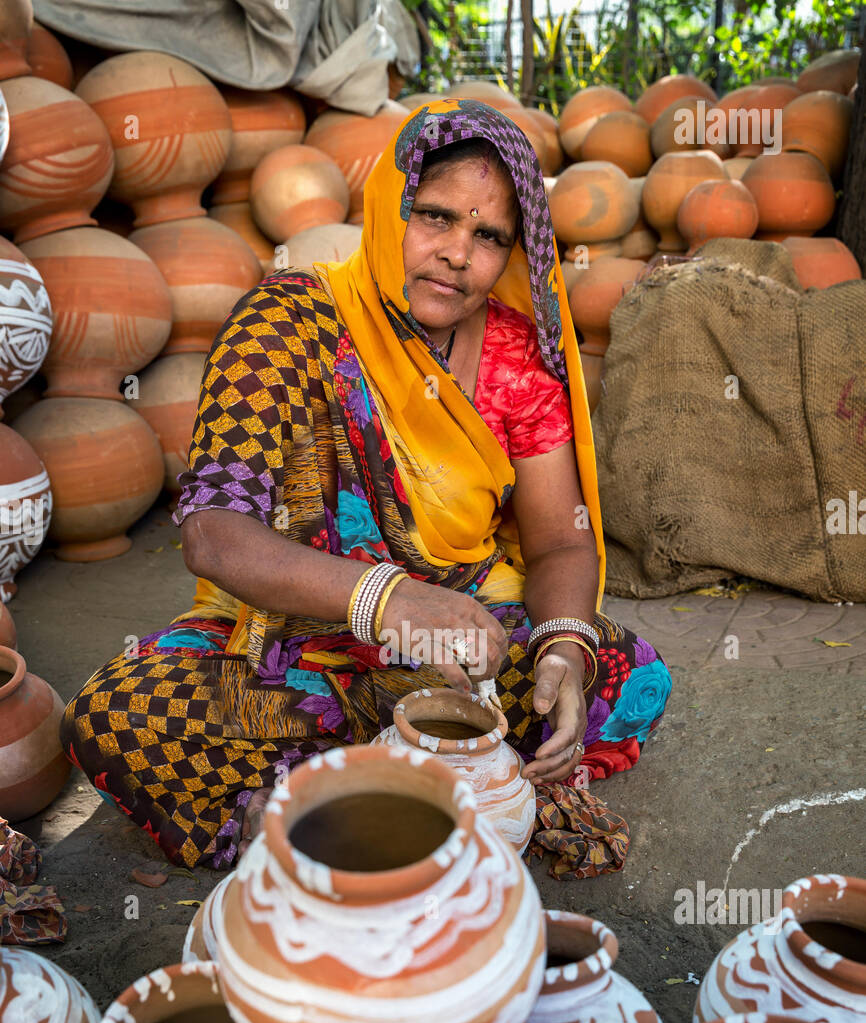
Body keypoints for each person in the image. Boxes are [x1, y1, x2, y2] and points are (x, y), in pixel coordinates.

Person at [61, 98, 671, 876]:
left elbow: (558, 538)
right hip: (294, 640)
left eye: (489, 236)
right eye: (437, 217)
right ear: (389, 208)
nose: (458, 253)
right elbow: (213, 533)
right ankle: (417, 782)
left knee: (620, 667)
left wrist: (562, 648)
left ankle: (360, 781)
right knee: (122, 717)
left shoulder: (521, 357)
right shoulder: (286, 322)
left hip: (462, 636)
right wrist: (389, 600)